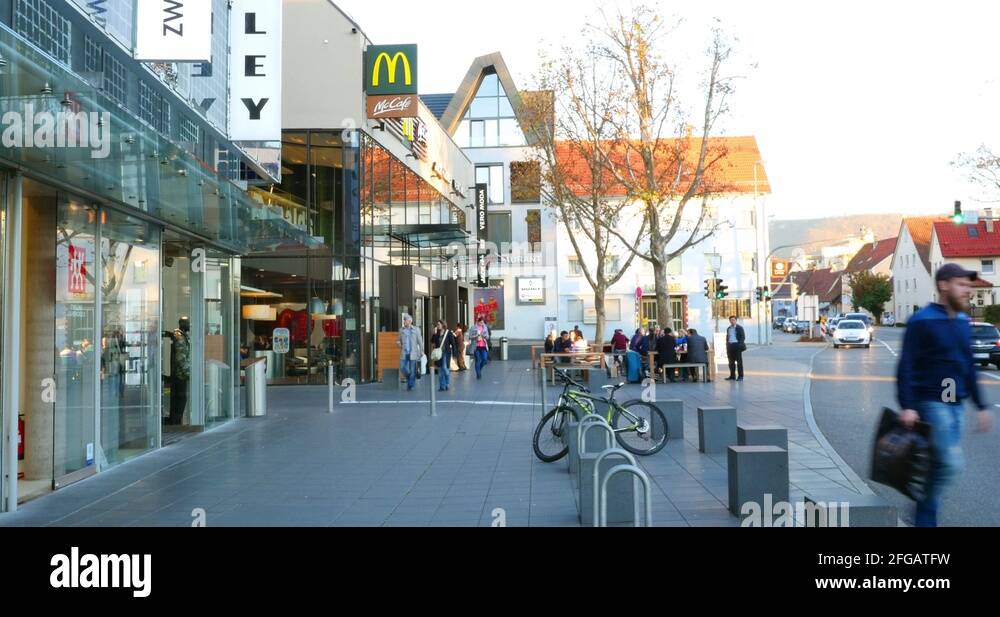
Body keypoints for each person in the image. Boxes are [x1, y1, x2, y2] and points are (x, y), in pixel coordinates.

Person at [897, 264, 995, 527]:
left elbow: (967, 364)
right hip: (930, 403)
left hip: (955, 404)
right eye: (962, 285)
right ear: (943, 285)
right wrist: (907, 405)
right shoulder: (922, 320)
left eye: (969, 286)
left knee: (938, 465)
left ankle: (922, 515)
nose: (968, 291)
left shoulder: (963, 321)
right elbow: (906, 365)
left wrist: (982, 405)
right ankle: (923, 512)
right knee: (950, 463)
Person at [163, 317, 191, 425]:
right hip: (180, 374)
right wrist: (186, 372)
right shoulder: (179, 337)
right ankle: (175, 422)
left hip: (180, 373)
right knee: (180, 399)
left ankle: (175, 420)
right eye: (188, 323)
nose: (189, 325)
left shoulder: (182, 336)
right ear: (183, 324)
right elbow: (180, 358)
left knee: (178, 398)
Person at [397, 314, 424, 391]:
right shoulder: (401, 330)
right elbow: (398, 339)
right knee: (402, 367)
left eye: (405, 320)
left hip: (413, 353)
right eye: (404, 320)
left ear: (410, 321)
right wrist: (398, 343)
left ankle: (410, 385)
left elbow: (420, 341)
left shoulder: (416, 329)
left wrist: (422, 351)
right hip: (404, 353)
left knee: (412, 370)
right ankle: (410, 377)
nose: (404, 321)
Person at [434, 320, 458, 392]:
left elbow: (453, 343)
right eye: (437, 325)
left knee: (445, 369)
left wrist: (454, 354)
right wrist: (435, 334)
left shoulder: (448, 333)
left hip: (446, 353)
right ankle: (442, 386)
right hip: (439, 354)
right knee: (440, 370)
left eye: (438, 324)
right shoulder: (437, 333)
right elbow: (432, 341)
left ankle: (447, 383)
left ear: (442, 325)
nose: (437, 326)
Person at [726, 316, 746, 381]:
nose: (732, 321)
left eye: (733, 320)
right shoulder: (728, 328)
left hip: (737, 346)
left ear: (736, 320)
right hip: (730, 346)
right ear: (729, 321)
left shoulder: (740, 328)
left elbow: (742, 337)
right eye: (731, 320)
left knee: (739, 362)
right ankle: (732, 376)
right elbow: (728, 337)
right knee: (731, 363)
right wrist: (727, 344)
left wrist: (739, 346)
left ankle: (740, 376)